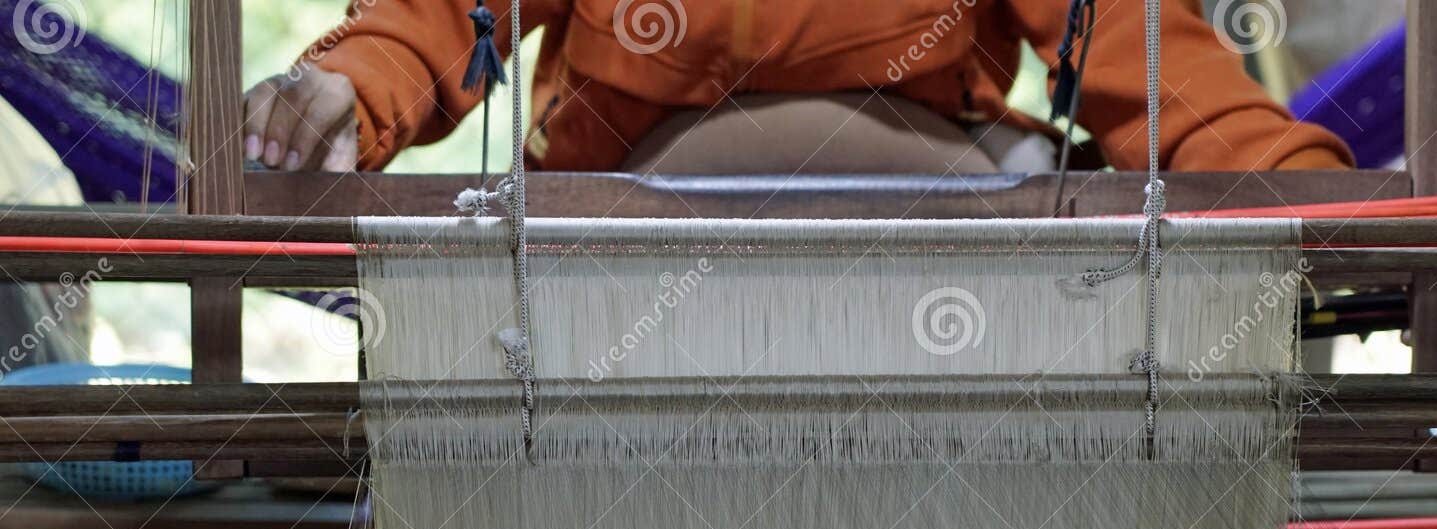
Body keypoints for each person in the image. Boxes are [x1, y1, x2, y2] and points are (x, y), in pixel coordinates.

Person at [241, 0, 1351, 175]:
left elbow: (1147, 53)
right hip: (611, 332)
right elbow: (447, 17)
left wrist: (1308, 196)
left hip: (938, 352)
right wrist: (353, 85)